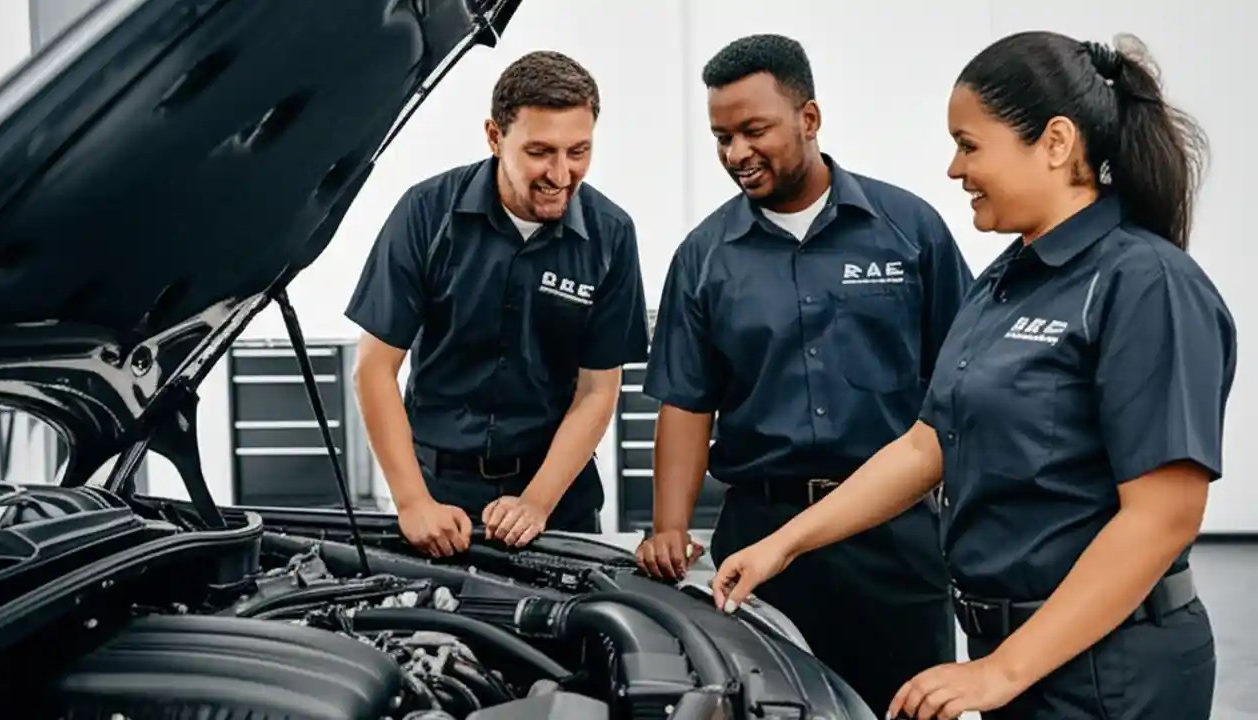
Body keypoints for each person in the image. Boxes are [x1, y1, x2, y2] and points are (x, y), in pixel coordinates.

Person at [711, 30, 1232, 720]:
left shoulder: (1145, 284)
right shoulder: (1006, 281)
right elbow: (927, 444)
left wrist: (1000, 671)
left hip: (1112, 669)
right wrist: (783, 544)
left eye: (970, 144)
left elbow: (1163, 516)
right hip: (1022, 656)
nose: (955, 169)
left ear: (1054, 142)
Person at [636, 34, 973, 717]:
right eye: (722, 137)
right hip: (762, 536)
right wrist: (668, 525)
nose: (736, 154)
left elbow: (961, 383)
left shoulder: (909, 231)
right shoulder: (704, 257)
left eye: (753, 130)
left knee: (908, 706)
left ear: (809, 119)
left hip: (895, 534)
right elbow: (686, 402)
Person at [346, 50, 650, 558]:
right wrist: (413, 503)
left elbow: (598, 389)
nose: (561, 173)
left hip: (556, 498)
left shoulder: (612, 236)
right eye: (540, 151)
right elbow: (374, 370)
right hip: (439, 495)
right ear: (494, 137)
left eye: (578, 151)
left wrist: (536, 501)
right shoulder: (425, 213)